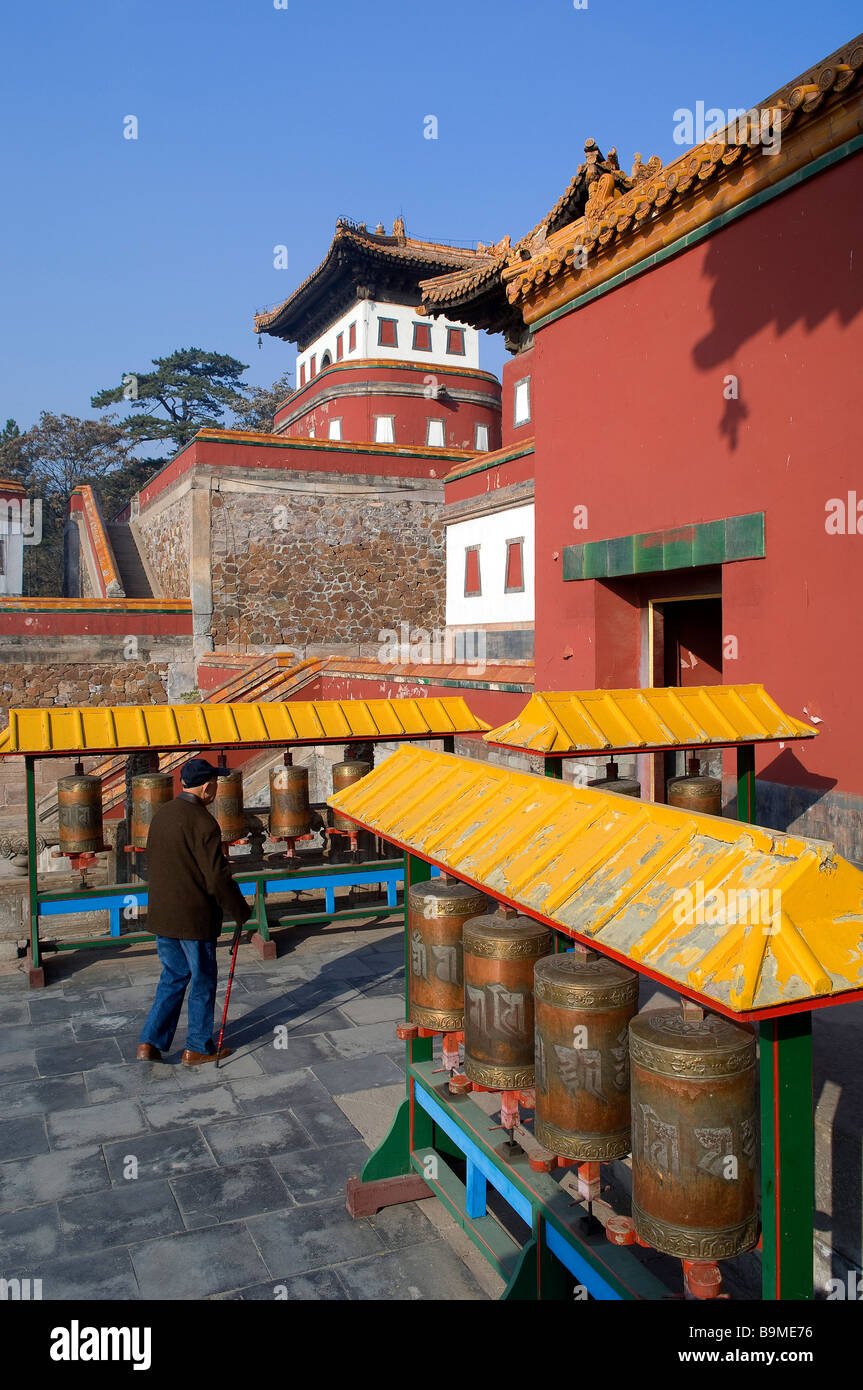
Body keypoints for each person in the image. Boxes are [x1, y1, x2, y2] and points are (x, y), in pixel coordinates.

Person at [137, 757, 252, 1065]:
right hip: (194, 917)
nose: (216, 789)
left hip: (163, 914)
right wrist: (240, 910)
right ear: (207, 787)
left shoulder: (163, 814)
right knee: (201, 979)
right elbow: (216, 878)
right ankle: (198, 1046)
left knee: (174, 975)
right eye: (214, 784)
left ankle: (150, 1041)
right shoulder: (204, 823)